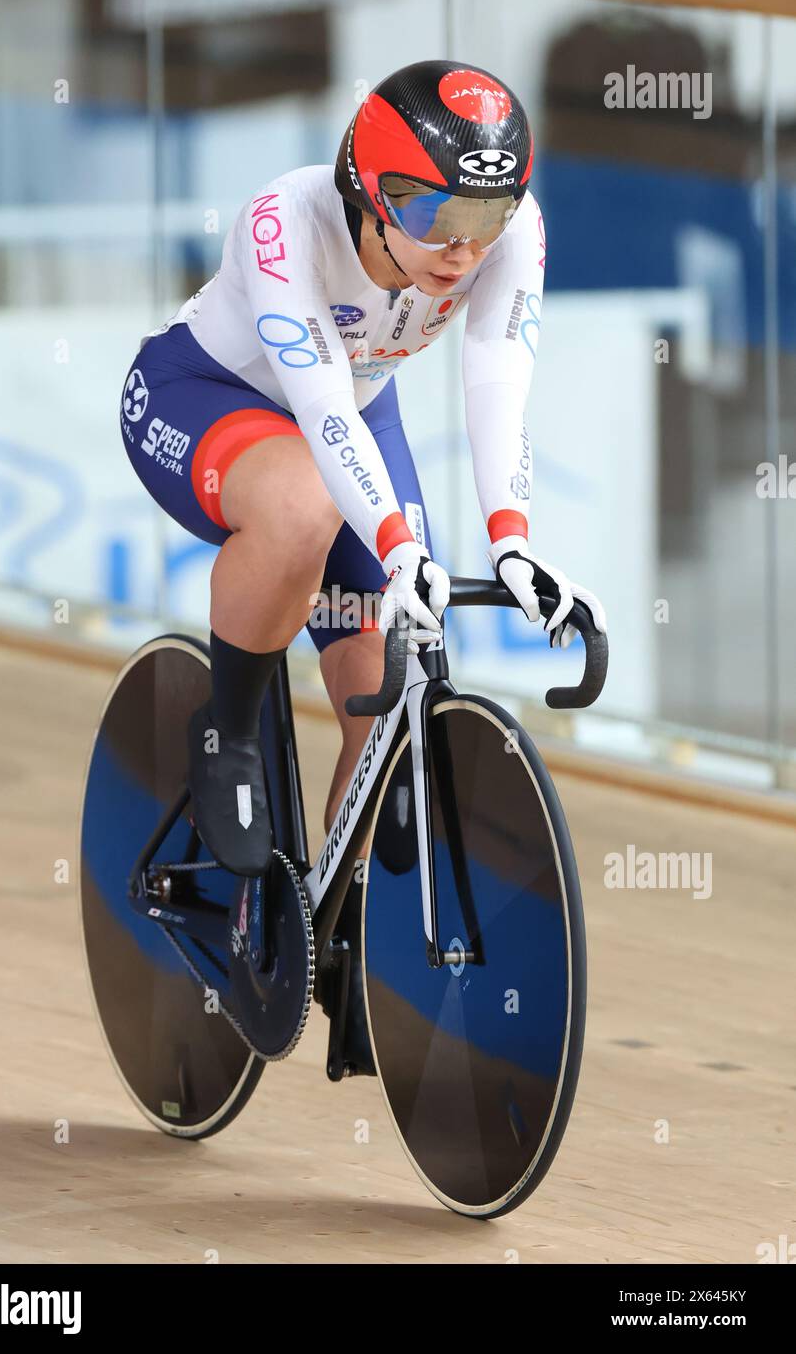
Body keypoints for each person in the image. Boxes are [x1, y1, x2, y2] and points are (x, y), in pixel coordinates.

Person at [119, 59, 605, 1069]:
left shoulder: (507, 233)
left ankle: (328, 927)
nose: (459, 248)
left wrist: (510, 542)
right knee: (303, 506)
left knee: (393, 671)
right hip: (205, 396)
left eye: (483, 214)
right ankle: (231, 733)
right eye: (430, 213)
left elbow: (494, 380)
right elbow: (319, 407)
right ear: (369, 191)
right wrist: (395, 544)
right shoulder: (283, 221)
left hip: (350, 415)